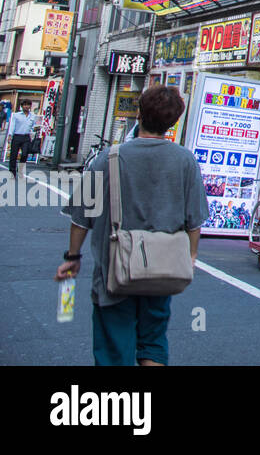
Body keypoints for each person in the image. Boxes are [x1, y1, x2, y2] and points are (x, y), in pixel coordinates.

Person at [55, 86, 206, 366]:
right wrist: (191, 256)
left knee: (114, 348)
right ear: (172, 123)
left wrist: (72, 257)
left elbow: (80, 217)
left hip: (115, 268)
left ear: (140, 114)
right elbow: (194, 221)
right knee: (153, 343)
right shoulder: (185, 161)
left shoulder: (109, 158)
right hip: (163, 268)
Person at [7, 99, 36, 181]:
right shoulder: (16, 115)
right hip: (16, 136)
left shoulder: (33, 116)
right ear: (22, 106)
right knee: (13, 155)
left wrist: (35, 130)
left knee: (25, 154)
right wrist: (10, 135)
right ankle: (12, 173)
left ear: (30, 106)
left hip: (26, 137)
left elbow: (33, 126)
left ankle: (20, 170)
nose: (26, 106)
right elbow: (12, 125)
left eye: (28, 105)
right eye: (25, 105)